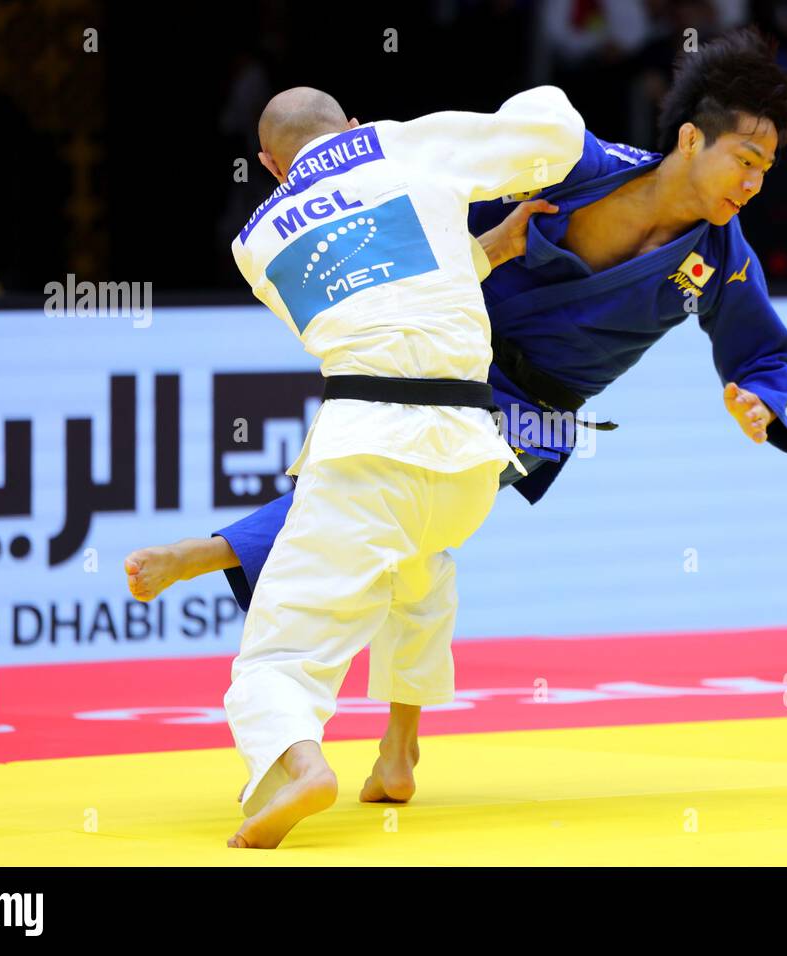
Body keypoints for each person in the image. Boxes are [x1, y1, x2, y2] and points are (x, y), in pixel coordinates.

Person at [127, 28, 787, 817]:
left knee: (381, 506)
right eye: (745, 161)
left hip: (534, 408)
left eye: (766, 169)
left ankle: (218, 557)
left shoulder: (721, 259)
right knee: (415, 540)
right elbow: (436, 194)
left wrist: (762, 398)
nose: (754, 184)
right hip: (454, 347)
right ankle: (398, 750)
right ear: (691, 138)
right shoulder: (583, 167)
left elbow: (758, 349)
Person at [217, 84, 585, 848]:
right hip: (470, 458)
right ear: (349, 122)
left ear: (267, 164)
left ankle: (297, 763)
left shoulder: (254, 243)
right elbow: (558, 134)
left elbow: (374, 303)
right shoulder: (401, 143)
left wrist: (479, 247)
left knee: (276, 656)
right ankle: (398, 755)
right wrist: (503, 211)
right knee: (416, 571)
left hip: (368, 449)